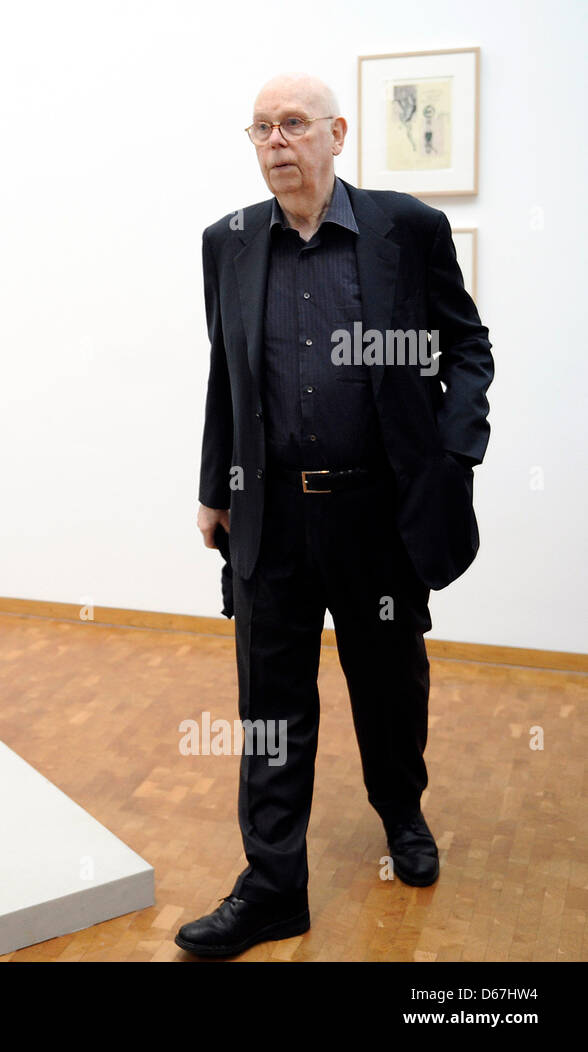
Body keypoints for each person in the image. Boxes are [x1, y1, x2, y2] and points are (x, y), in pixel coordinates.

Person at [176, 72, 494, 958]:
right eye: (260, 129)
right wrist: (214, 489)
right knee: (271, 704)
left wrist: (454, 453)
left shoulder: (406, 230)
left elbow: (466, 344)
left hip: (377, 514)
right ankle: (274, 887)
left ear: (338, 133)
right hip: (270, 517)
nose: (277, 142)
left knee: (390, 687)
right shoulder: (229, 243)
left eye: (294, 125)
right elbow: (224, 375)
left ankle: (403, 817)